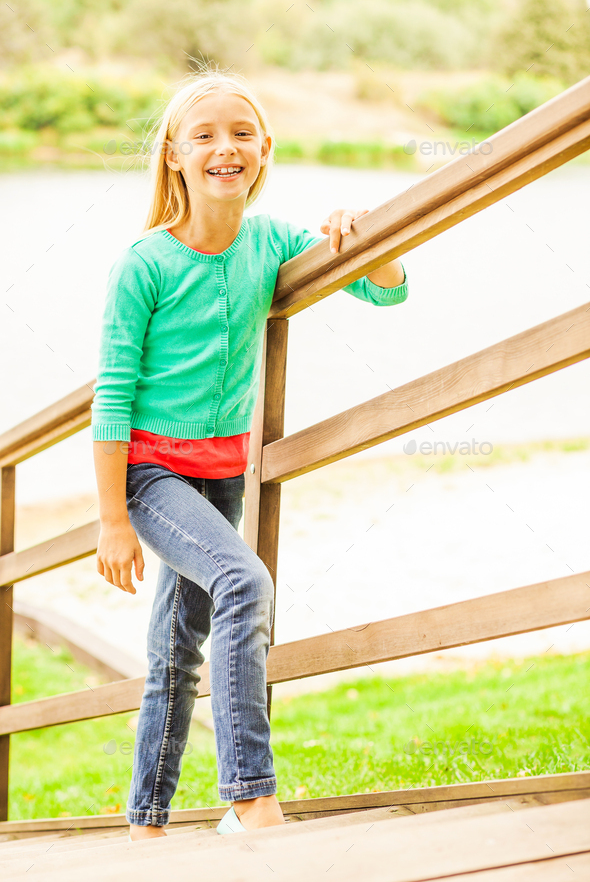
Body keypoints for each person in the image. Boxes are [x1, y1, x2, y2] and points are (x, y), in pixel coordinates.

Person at [91, 63, 409, 842]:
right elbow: (111, 397)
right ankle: (252, 797)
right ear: (173, 154)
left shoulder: (273, 240)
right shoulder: (145, 263)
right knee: (244, 583)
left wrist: (363, 239)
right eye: (203, 136)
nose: (223, 147)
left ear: (264, 149)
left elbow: (387, 290)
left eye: (240, 134)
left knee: (177, 645)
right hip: (149, 474)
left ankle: (146, 823)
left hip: (223, 474)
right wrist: (110, 519)